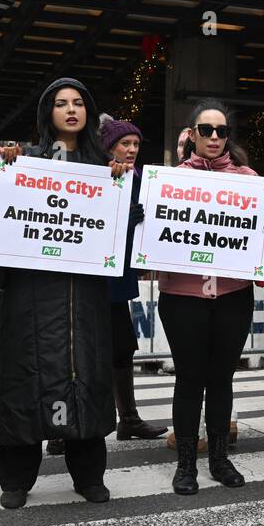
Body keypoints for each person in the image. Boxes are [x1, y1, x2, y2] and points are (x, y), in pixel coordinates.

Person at [0, 78, 120, 508]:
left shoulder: (105, 169)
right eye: (61, 103)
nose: (71, 110)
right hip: (32, 297)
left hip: (85, 298)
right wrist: (6, 168)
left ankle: (88, 476)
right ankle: (17, 479)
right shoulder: (26, 162)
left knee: (86, 378)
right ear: (48, 113)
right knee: (27, 380)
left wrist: (122, 184)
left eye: (79, 103)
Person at [156, 99, 258, 495]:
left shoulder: (249, 178)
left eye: (222, 131)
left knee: (221, 378)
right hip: (183, 295)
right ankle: (186, 464)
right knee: (189, 378)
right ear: (192, 134)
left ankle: (219, 458)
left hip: (233, 294)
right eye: (207, 130)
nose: (215, 137)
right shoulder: (170, 180)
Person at [101, 117, 168, 440]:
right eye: (124, 143)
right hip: (94, 281)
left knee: (123, 348)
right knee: (86, 352)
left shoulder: (141, 179)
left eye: (136, 144)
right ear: (109, 146)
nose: (131, 149)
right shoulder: (96, 177)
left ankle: (127, 418)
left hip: (119, 280)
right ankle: (65, 430)